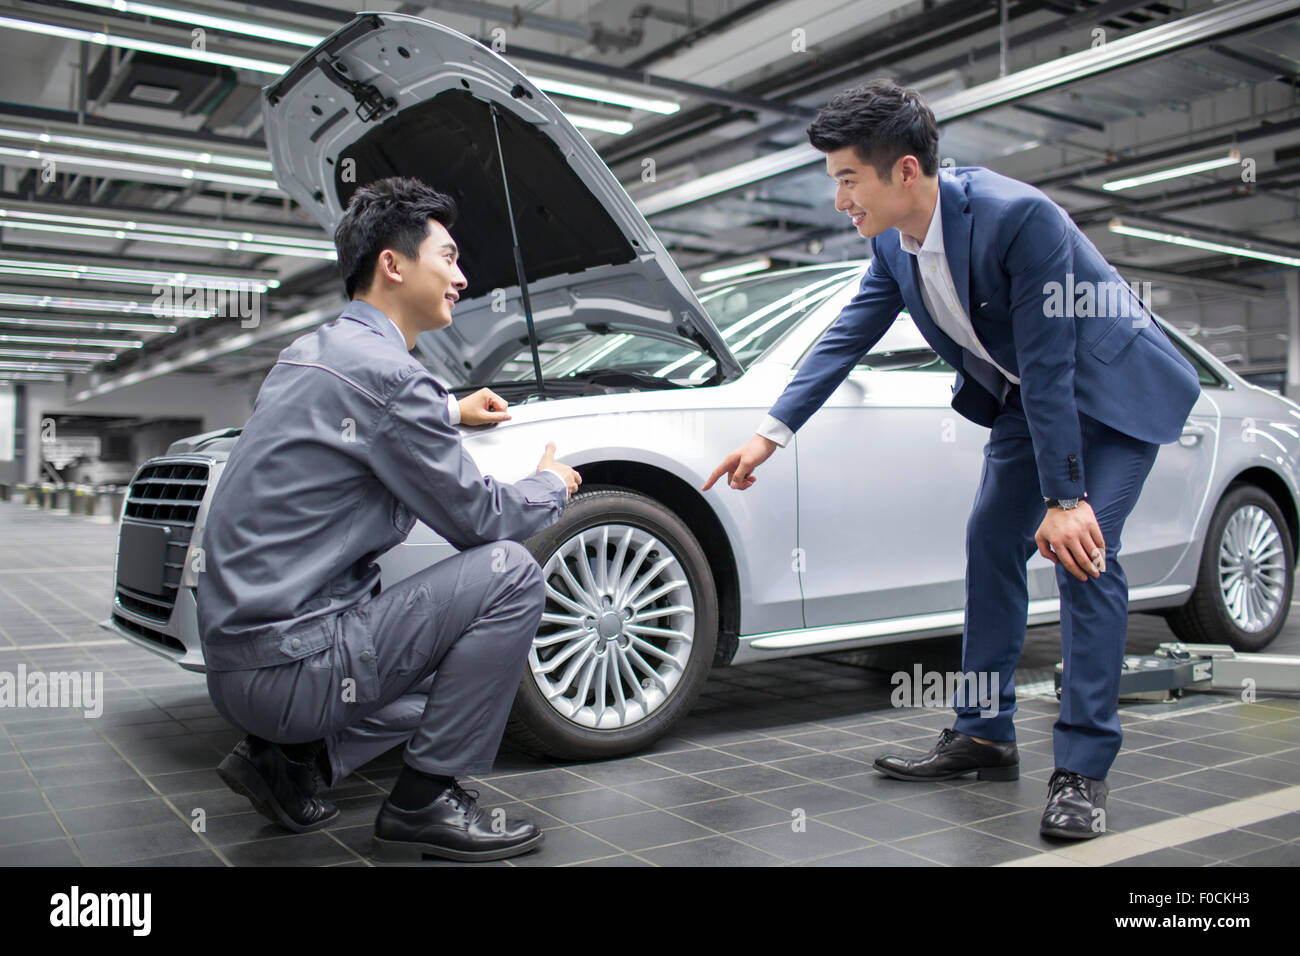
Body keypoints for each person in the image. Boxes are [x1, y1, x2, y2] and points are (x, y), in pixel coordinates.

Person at [703, 79, 1200, 840]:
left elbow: (1052, 365)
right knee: (988, 543)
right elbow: (846, 335)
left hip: (1110, 398)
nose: (839, 200)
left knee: (1084, 556)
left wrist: (1067, 501)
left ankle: (1082, 771)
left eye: (846, 179)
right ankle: (984, 733)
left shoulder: (1019, 219)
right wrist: (770, 434)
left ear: (904, 170)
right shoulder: (891, 243)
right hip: (1025, 401)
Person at [196, 175, 581, 862]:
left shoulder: (311, 354)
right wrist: (548, 484)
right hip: (293, 670)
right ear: (393, 264)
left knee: (457, 665)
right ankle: (424, 801)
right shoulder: (394, 379)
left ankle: (289, 766)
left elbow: (361, 418)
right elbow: (482, 519)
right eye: (450, 258)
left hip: (236, 670)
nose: (461, 277)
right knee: (509, 576)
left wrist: (448, 409)